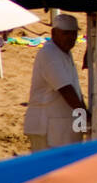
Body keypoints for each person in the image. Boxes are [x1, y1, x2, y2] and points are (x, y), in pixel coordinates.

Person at [24, 14, 87, 151]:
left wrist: (82, 125)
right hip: (47, 127)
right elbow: (66, 90)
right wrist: (85, 115)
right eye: (65, 34)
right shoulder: (49, 53)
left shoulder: (64, 53)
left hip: (62, 128)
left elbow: (75, 90)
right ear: (53, 33)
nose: (70, 38)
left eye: (73, 34)